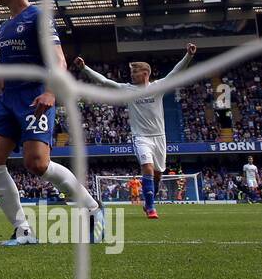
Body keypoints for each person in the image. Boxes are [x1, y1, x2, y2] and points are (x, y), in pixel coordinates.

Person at [0, 0, 102, 247]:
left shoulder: (38, 16)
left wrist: (50, 92)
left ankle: (92, 209)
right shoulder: (5, 28)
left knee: (37, 164)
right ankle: (22, 230)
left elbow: (59, 60)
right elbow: (3, 73)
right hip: (8, 99)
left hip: (35, 97)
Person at [73, 43, 196, 219]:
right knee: (147, 167)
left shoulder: (157, 87)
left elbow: (175, 73)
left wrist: (189, 56)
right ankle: (152, 207)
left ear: (146, 74)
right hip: (141, 137)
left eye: (135, 72)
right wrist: (85, 68)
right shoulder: (127, 89)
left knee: (158, 174)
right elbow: (104, 82)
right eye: (131, 72)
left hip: (159, 137)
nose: (131, 75)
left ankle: (147, 203)